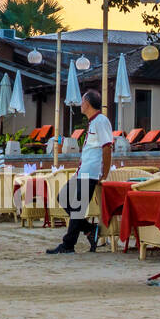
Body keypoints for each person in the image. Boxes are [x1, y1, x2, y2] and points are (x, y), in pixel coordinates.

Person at [47, 88, 113, 255]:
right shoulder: (92, 122)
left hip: (91, 172)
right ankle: (90, 229)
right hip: (82, 171)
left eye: (83, 101)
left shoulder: (101, 121)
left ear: (88, 103)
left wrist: (104, 174)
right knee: (62, 197)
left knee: (77, 208)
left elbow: (107, 147)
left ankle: (68, 244)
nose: (80, 105)